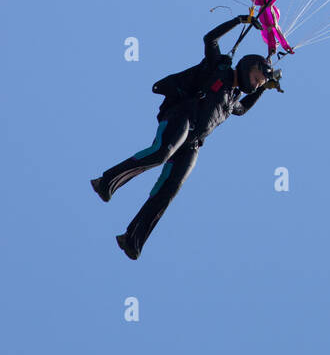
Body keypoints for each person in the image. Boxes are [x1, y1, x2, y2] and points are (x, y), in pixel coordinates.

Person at [91, 14, 279, 259]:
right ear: (247, 66)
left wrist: (264, 90)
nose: (254, 86)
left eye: (257, 85)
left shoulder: (233, 99)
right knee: (161, 153)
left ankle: (132, 238)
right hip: (181, 118)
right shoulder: (219, 68)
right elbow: (209, 39)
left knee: (169, 189)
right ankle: (106, 181)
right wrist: (240, 20)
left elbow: (242, 110)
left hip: (194, 143)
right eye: (256, 80)